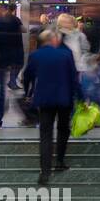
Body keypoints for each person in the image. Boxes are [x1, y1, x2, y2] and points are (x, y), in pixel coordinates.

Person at [23, 28, 80, 186]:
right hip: (64, 99)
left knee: (46, 135)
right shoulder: (65, 55)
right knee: (63, 129)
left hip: (45, 100)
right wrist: (79, 96)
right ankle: (60, 161)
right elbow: (73, 78)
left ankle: (45, 171)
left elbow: (27, 76)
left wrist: (27, 92)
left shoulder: (36, 55)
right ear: (53, 40)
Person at [0, 4, 25, 91]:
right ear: (14, 9)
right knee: (17, 65)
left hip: (4, 47)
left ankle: (8, 83)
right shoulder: (16, 19)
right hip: (16, 46)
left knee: (6, 66)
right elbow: (23, 29)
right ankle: (12, 82)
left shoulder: (2, 19)